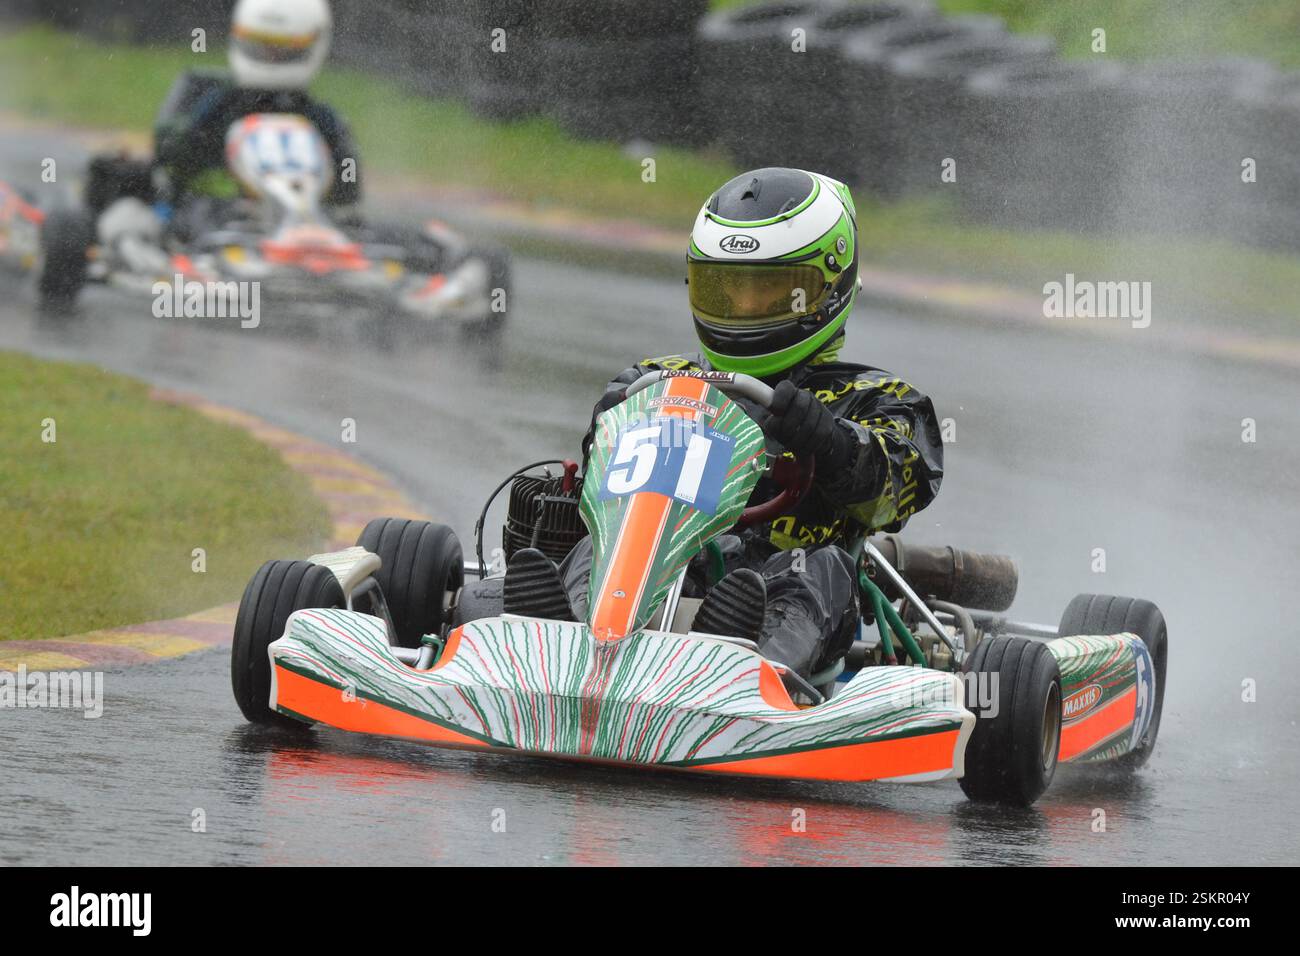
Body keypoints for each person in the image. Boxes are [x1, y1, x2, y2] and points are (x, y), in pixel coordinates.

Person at [506, 167, 945, 684]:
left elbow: (898, 491)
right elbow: (604, 471)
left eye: (770, 292)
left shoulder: (876, 398)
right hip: (657, 566)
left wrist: (830, 441)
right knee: (592, 547)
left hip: (777, 582)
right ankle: (566, 635)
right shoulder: (650, 381)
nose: (744, 308)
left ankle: (753, 670)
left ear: (831, 285)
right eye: (726, 290)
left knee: (817, 571)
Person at [88, 0, 358, 245]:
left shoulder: (319, 117)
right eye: (261, 46)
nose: (270, 56)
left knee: (354, 225)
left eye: (282, 50)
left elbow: (349, 188)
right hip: (213, 212)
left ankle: (307, 245)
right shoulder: (218, 100)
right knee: (176, 216)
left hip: (298, 217)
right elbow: (171, 154)